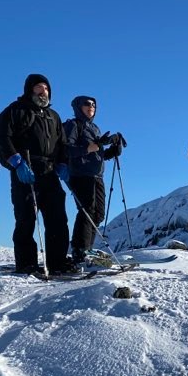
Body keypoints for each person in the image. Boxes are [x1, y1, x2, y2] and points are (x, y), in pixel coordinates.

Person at [0, 74, 73, 274]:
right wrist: (16, 161)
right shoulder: (14, 111)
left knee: (57, 218)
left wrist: (63, 163)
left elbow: (63, 144)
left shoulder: (53, 116)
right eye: (39, 88)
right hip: (25, 169)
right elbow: (3, 137)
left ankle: (57, 262)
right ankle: (26, 263)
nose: (43, 92)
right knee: (26, 217)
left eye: (46, 88)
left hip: (49, 172)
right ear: (29, 90)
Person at [62, 96, 124, 263]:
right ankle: (79, 249)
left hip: (96, 175)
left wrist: (113, 150)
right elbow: (67, 149)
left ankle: (85, 249)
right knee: (87, 210)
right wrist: (94, 146)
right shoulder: (73, 125)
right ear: (77, 107)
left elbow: (98, 154)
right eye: (87, 104)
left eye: (94, 105)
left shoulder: (94, 128)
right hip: (80, 174)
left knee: (98, 213)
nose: (91, 107)